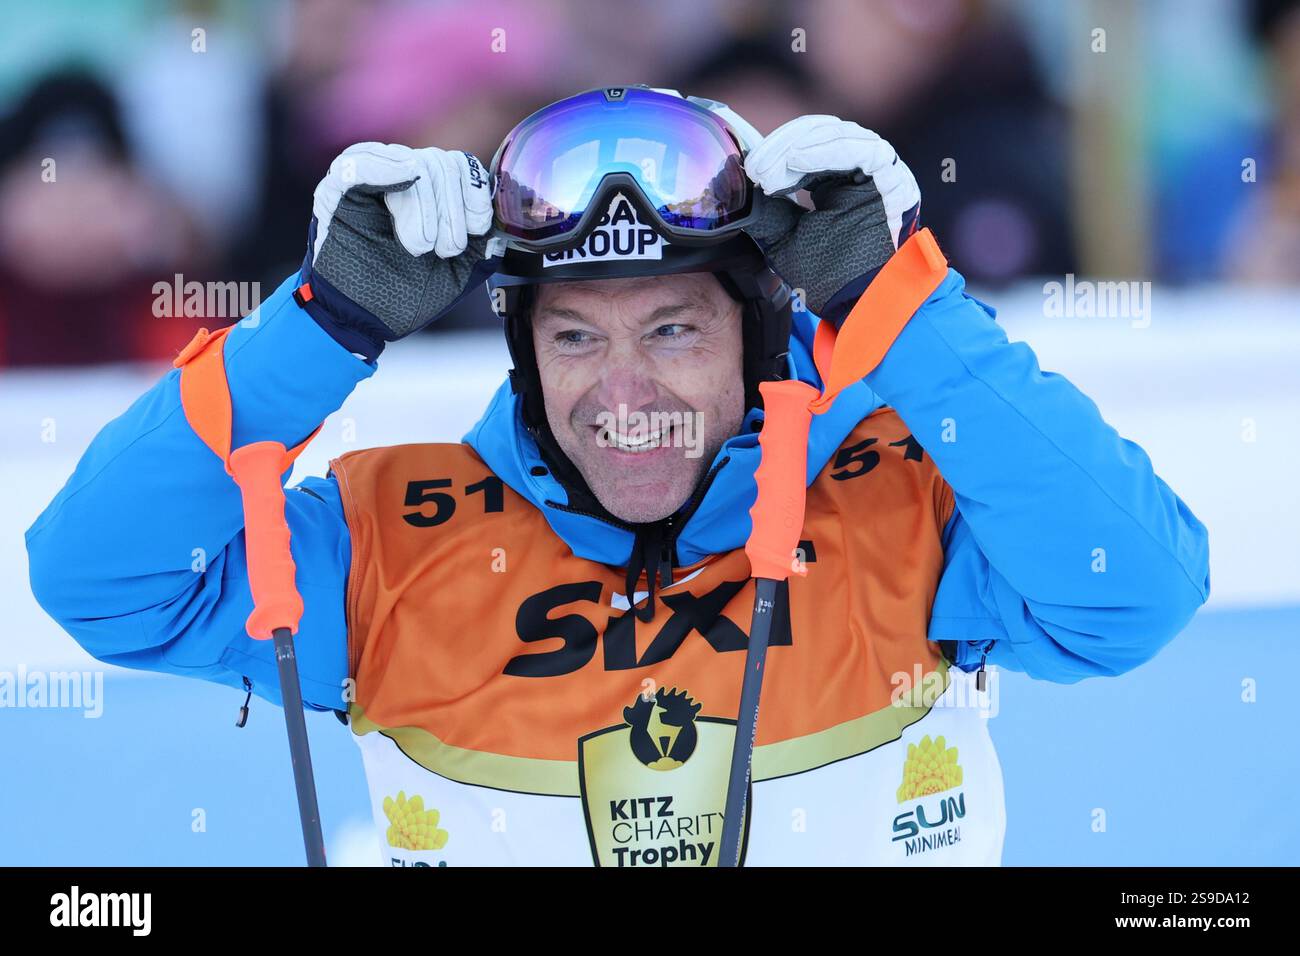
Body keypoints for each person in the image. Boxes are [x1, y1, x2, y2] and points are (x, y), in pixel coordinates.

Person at [27, 86, 1210, 867]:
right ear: (522, 350)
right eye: (575, 337)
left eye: (673, 330)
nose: (622, 393)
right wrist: (318, 324)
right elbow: (97, 576)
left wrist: (895, 302)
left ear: (754, 341)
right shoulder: (390, 532)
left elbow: (1138, 590)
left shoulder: (897, 489)